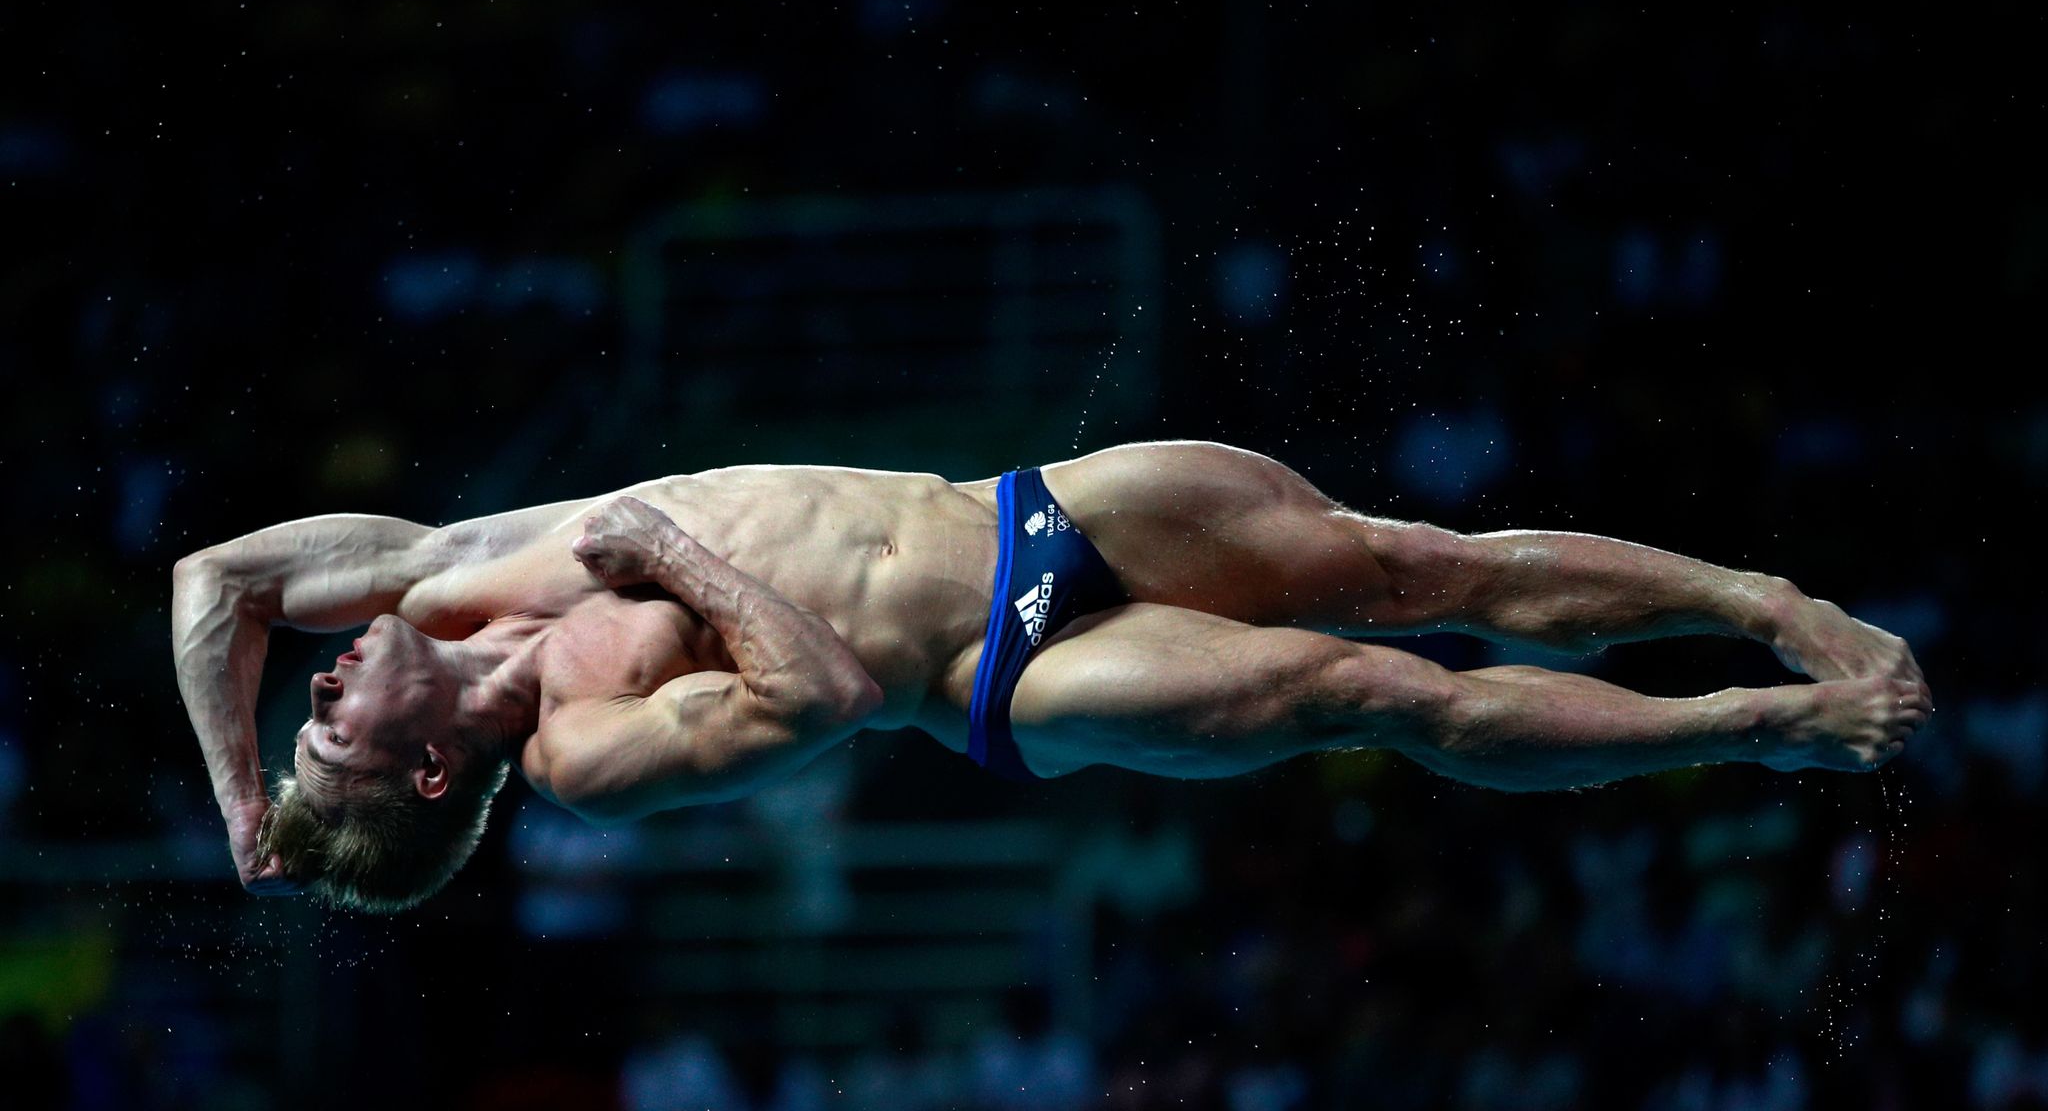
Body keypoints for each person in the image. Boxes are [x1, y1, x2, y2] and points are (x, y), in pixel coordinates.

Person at [168, 441, 1930, 912]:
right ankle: (1768, 728)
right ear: (423, 779)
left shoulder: (447, 565)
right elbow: (831, 695)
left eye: (299, 712)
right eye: (325, 737)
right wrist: (675, 561)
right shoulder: (578, 755)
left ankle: (1760, 598)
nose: (309, 694)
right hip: (1024, 674)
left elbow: (217, 580)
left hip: (1017, 506)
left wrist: (250, 811)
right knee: (1385, 695)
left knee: (1420, 567)